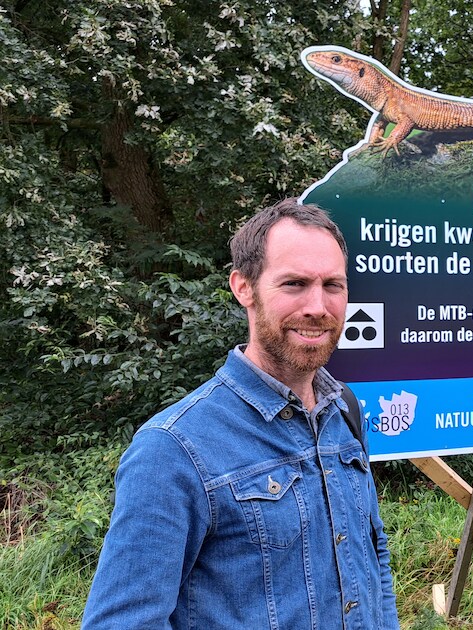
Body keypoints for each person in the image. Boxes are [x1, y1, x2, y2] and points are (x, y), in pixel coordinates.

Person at [83, 199, 399, 629]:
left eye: (333, 285)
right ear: (243, 287)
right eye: (294, 283)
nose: (318, 307)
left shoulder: (344, 409)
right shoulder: (173, 450)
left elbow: (373, 557)